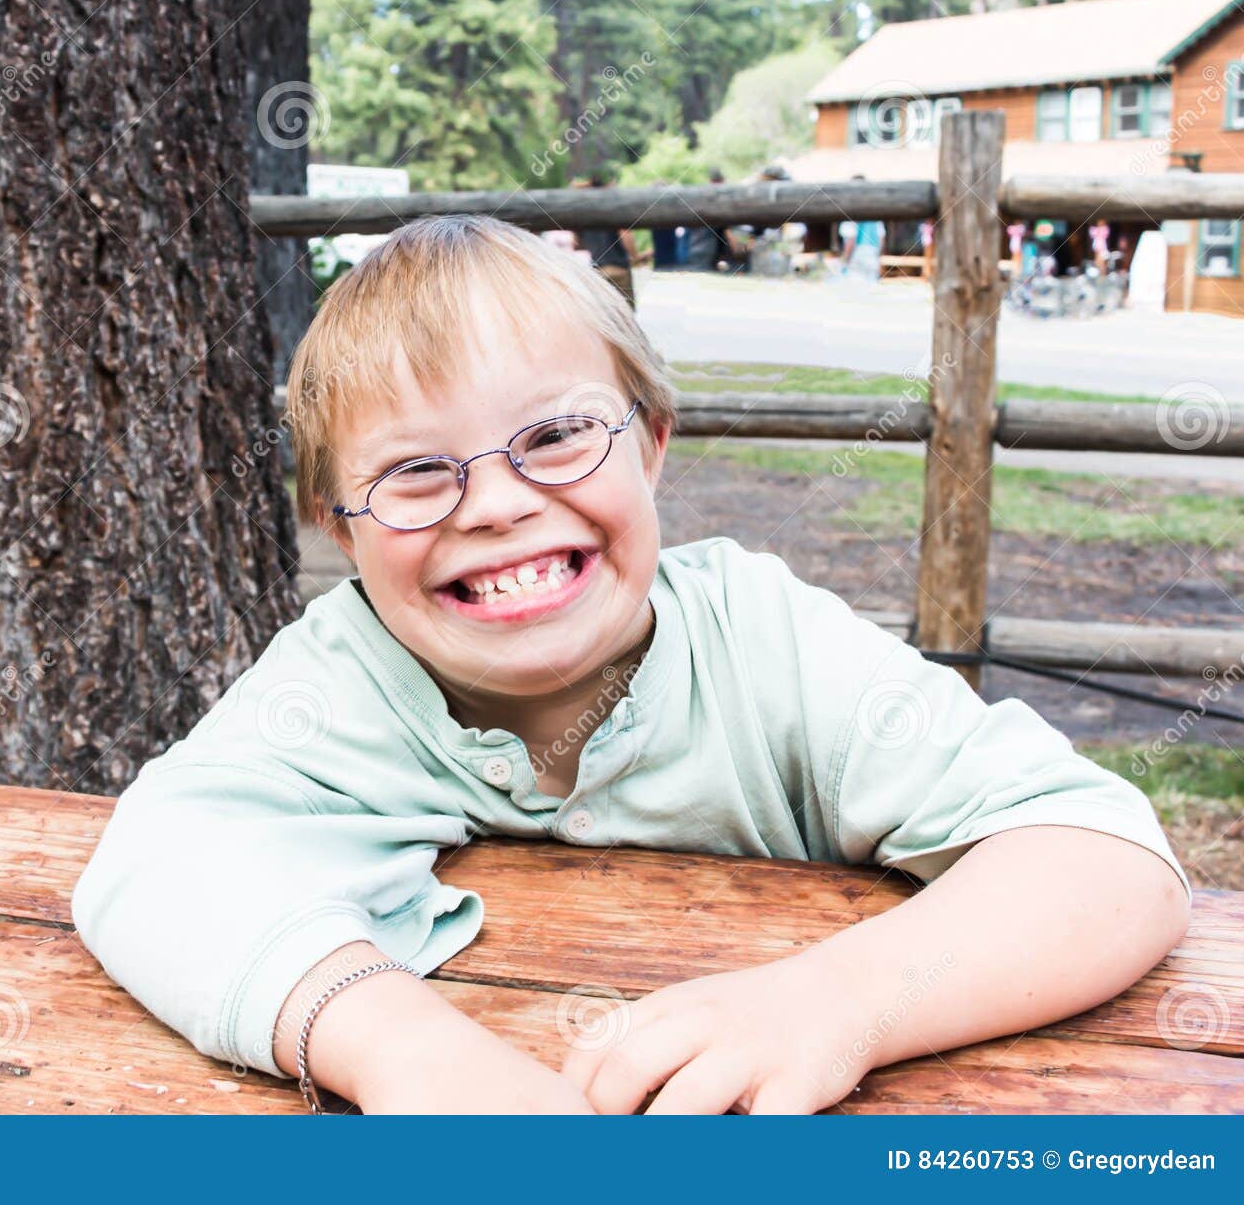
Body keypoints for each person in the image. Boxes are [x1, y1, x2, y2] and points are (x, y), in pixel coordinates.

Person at [73, 215, 1190, 1115]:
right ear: (339, 528)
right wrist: (398, 1048)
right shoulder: (337, 677)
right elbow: (153, 866)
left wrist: (836, 1002)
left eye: (555, 438)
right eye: (417, 472)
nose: (500, 504)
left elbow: (1102, 860)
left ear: (652, 444)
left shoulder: (763, 642)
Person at [574, 171, 648, 309]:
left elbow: (576, 245)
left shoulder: (582, 213)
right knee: (626, 315)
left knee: (607, 318)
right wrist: (635, 256)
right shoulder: (612, 208)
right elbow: (625, 234)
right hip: (619, 270)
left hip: (598, 273)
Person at [838, 175, 884, 283]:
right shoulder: (876, 212)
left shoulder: (850, 212)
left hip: (856, 258)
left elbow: (851, 241)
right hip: (872, 256)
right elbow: (882, 240)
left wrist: (844, 262)